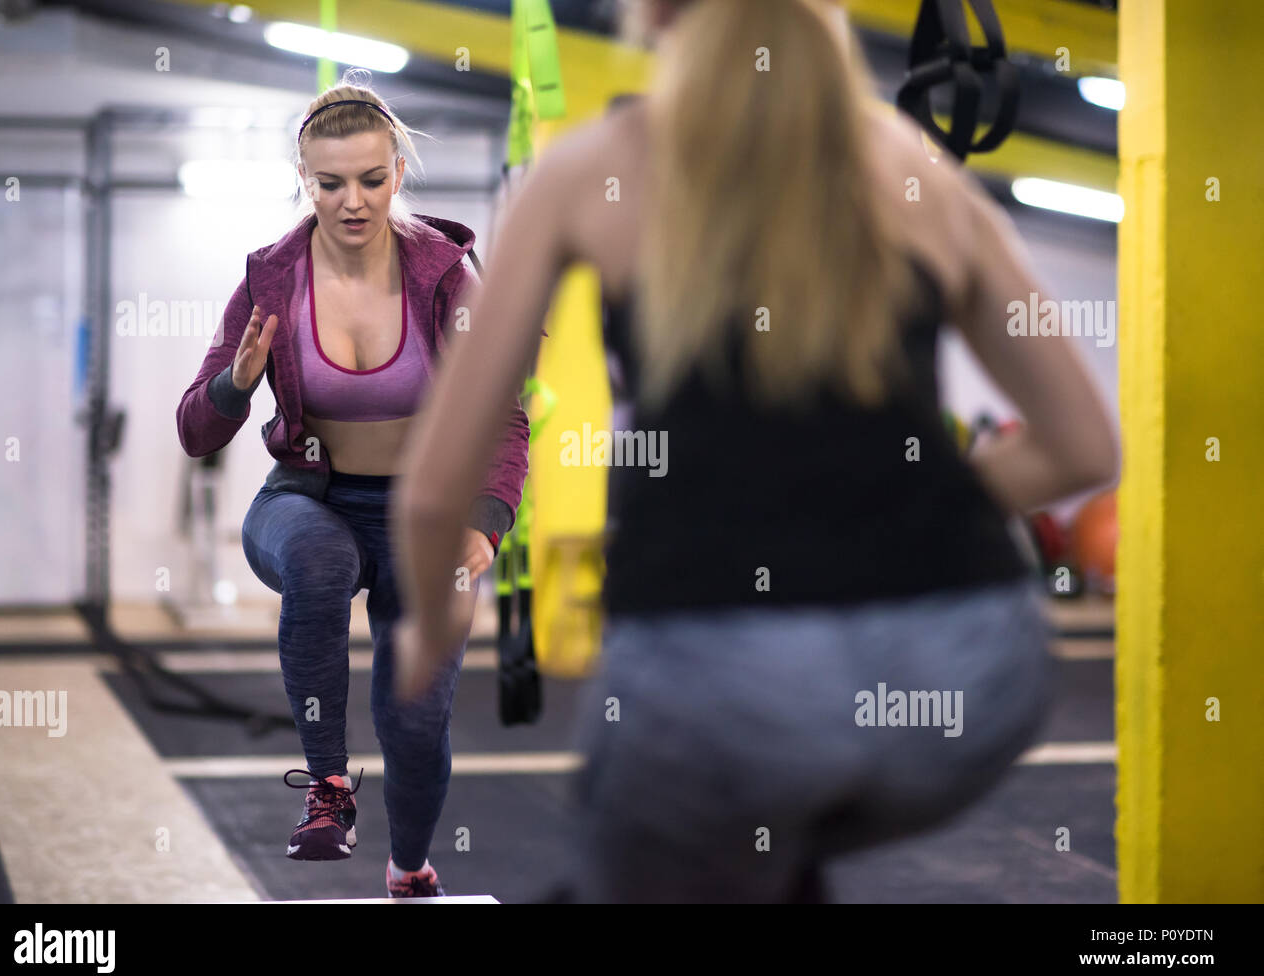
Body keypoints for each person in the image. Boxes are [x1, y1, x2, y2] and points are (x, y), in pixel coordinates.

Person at [391, 0, 1118, 902]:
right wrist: (913, 505)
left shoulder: (589, 175)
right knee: (764, 854)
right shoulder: (917, 171)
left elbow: (433, 491)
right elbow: (1085, 445)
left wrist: (427, 627)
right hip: (968, 681)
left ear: (651, 13)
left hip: (723, 687)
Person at [175, 70, 529, 898]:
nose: (353, 201)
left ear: (398, 171)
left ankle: (410, 865)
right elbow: (195, 429)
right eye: (330, 183)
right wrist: (236, 381)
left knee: (413, 719)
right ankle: (327, 790)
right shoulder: (270, 280)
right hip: (307, 503)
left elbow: (503, 418)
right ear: (305, 181)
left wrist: (485, 523)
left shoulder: (446, 278)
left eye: (372, 178)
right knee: (322, 562)